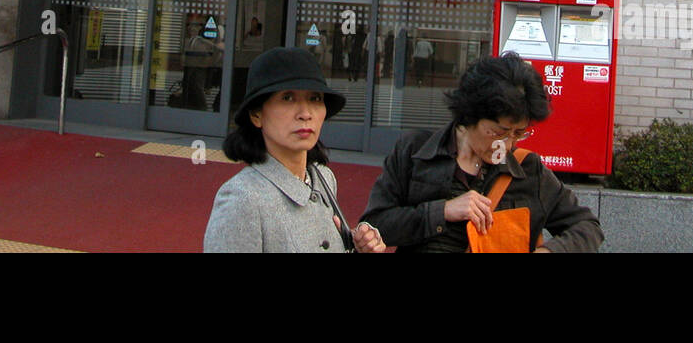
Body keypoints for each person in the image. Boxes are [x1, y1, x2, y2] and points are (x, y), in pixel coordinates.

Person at [362, 52, 603, 252]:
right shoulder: (415, 152)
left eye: (519, 133)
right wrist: (442, 211)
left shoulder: (528, 170)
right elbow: (376, 224)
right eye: (499, 132)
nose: (507, 145)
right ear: (470, 116)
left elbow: (588, 226)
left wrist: (550, 251)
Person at [204, 46, 387, 253]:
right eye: (288, 98)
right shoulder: (242, 199)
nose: (305, 113)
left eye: (315, 98)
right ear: (257, 114)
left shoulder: (323, 178)